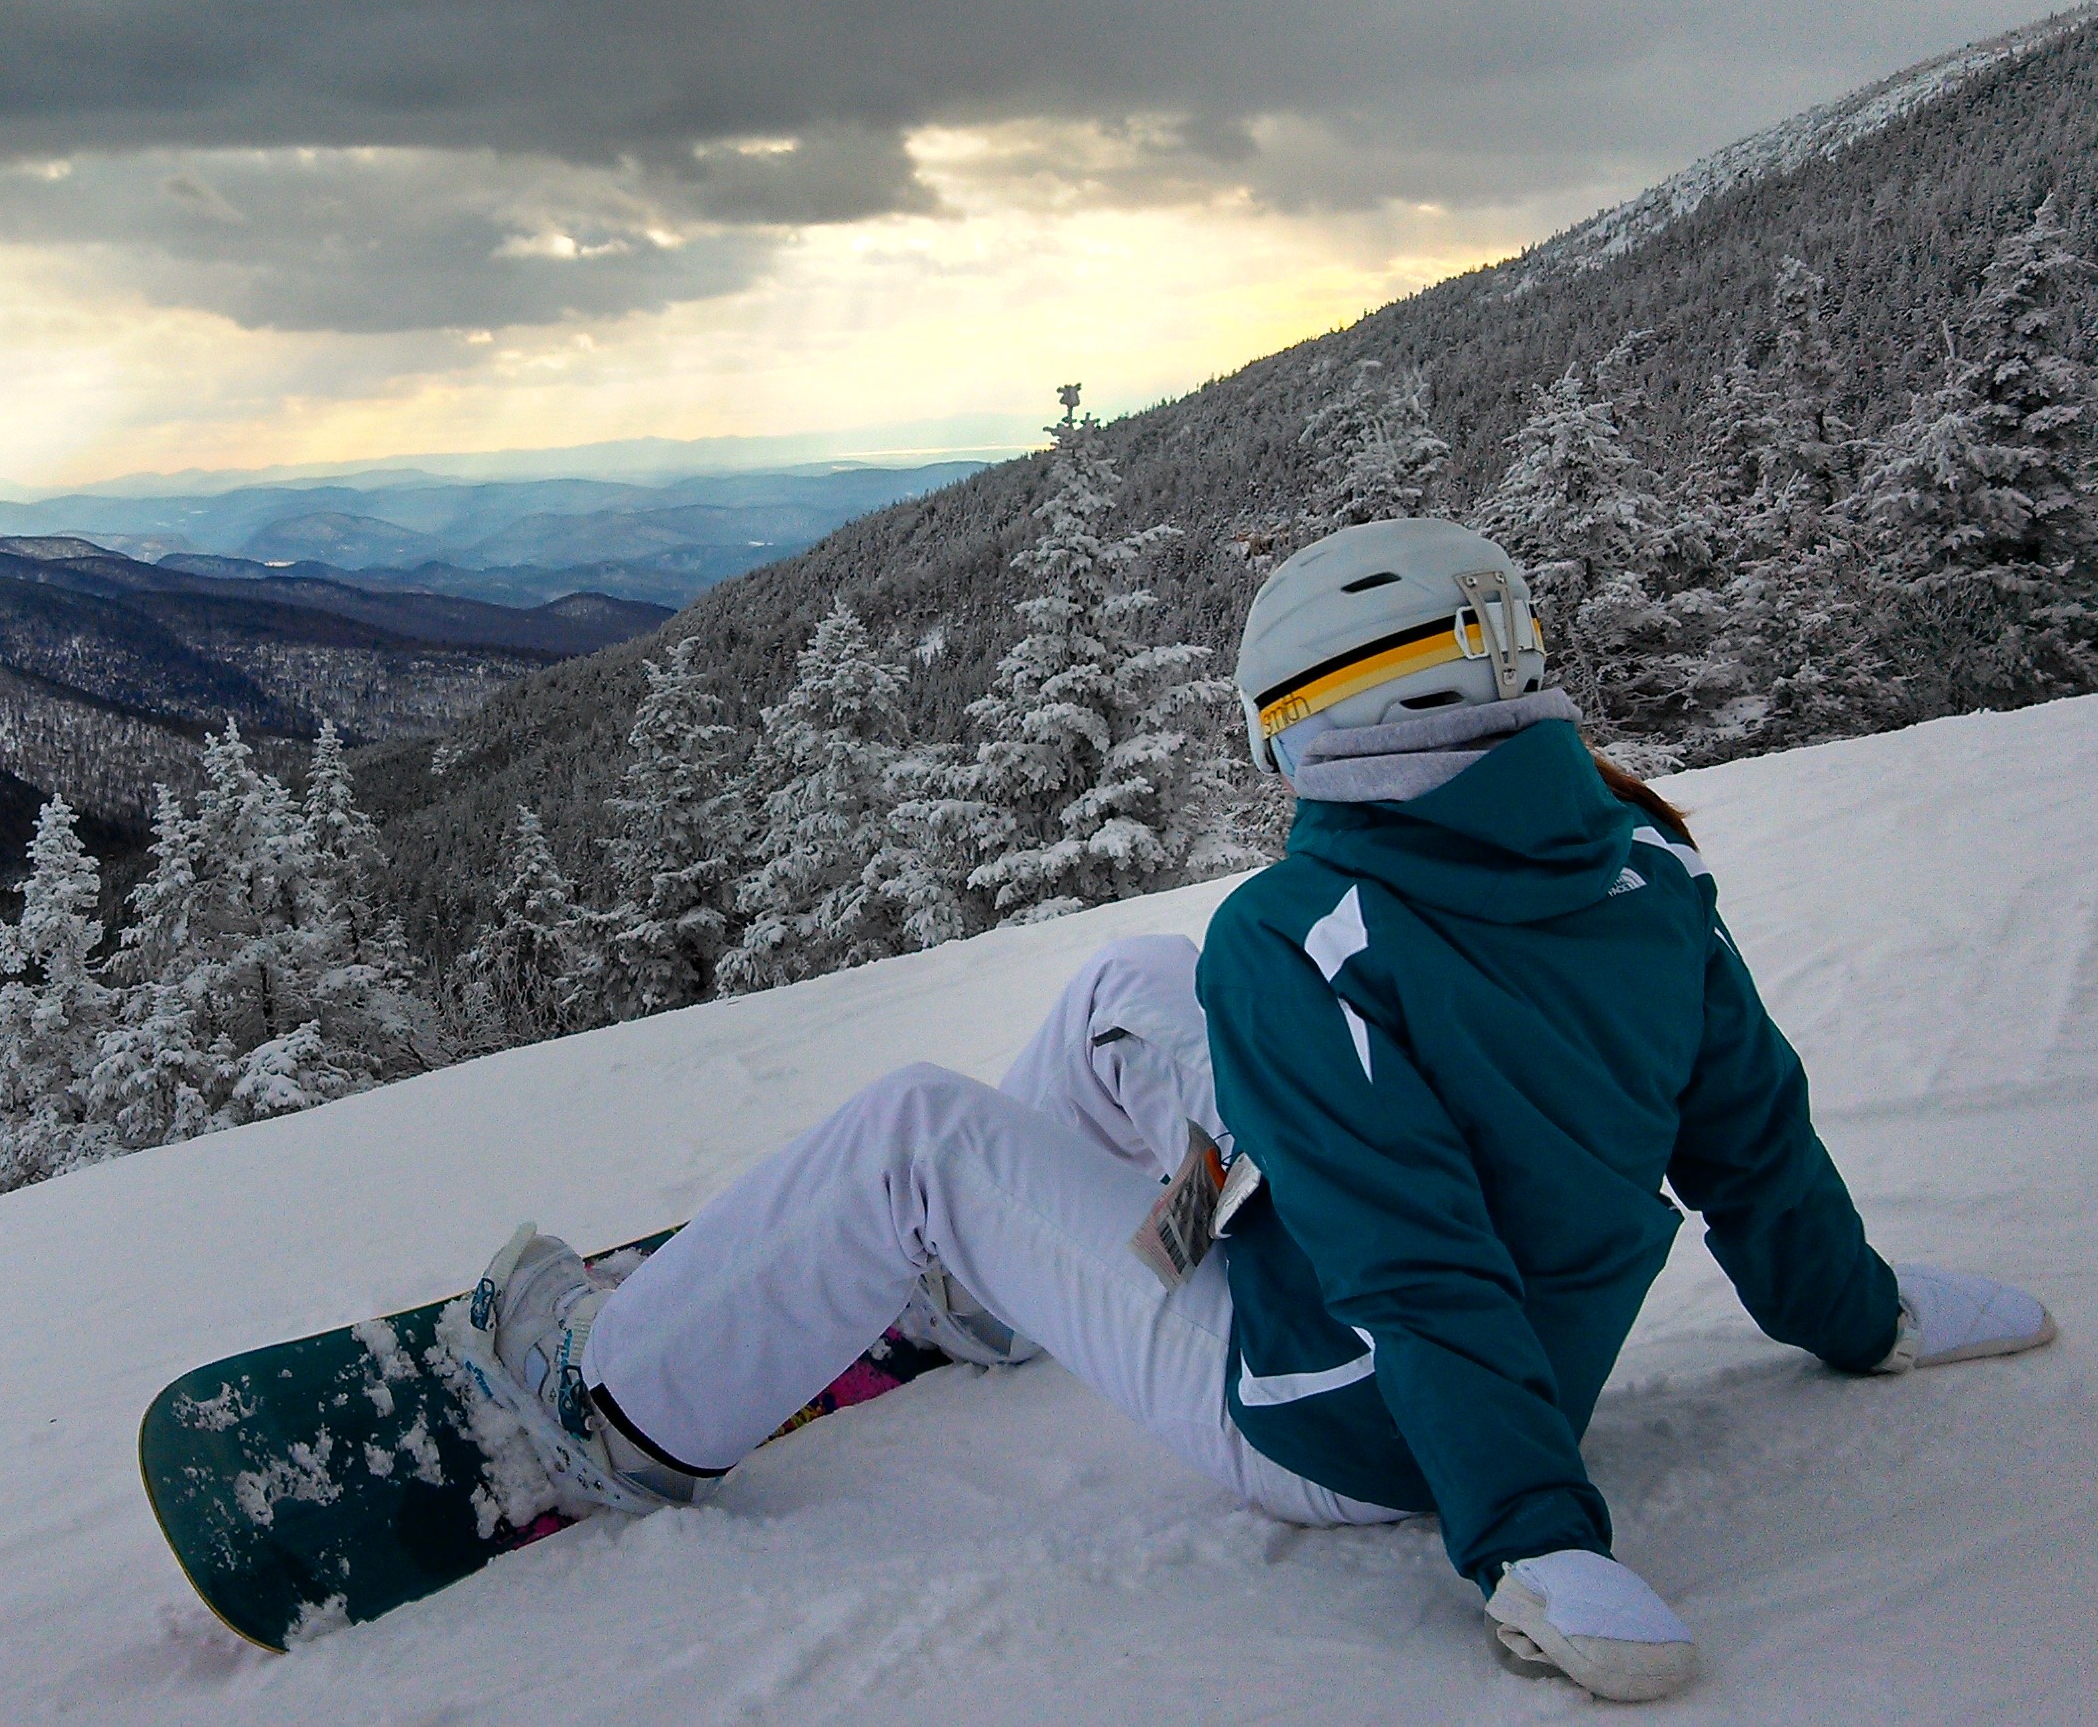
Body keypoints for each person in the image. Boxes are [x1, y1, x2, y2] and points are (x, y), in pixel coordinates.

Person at [459, 519, 2058, 1704]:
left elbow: (1416, 1258)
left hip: (1346, 1420)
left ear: (1305, 724)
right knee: (1130, 992)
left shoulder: (1310, 932)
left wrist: (1536, 1542)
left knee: (915, 1133)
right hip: (1493, 1356)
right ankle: (970, 1292)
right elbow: (1753, 1144)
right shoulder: (1641, 864)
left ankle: (614, 1414)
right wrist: (1868, 1318)